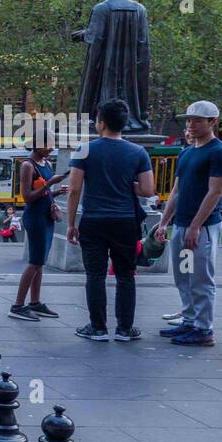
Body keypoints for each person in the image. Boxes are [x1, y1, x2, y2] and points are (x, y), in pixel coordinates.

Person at [66, 98, 154, 342]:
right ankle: (125, 328)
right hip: (126, 222)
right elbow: (148, 190)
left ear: (101, 123)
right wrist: (127, 185)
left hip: (94, 220)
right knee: (126, 274)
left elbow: (74, 189)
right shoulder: (138, 152)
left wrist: (72, 223)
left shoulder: (85, 149)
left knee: (95, 275)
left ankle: (98, 327)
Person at [154, 101, 222, 347]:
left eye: (197, 120)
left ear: (213, 122)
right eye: (188, 120)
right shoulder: (187, 151)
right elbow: (176, 190)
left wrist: (196, 226)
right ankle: (189, 319)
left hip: (203, 228)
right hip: (182, 225)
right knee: (184, 275)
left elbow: (215, 192)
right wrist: (164, 222)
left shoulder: (219, 152)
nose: (191, 125)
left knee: (201, 278)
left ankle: (203, 328)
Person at [9, 144, 65, 321]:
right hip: (35, 218)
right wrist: (50, 183)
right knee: (35, 262)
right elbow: (28, 197)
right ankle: (17, 306)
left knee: (40, 262)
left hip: (46, 216)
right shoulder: (28, 165)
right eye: (48, 145)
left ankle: (35, 302)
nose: (51, 148)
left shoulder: (45, 162)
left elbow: (43, 194)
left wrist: (55, 192)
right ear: (38, 144)